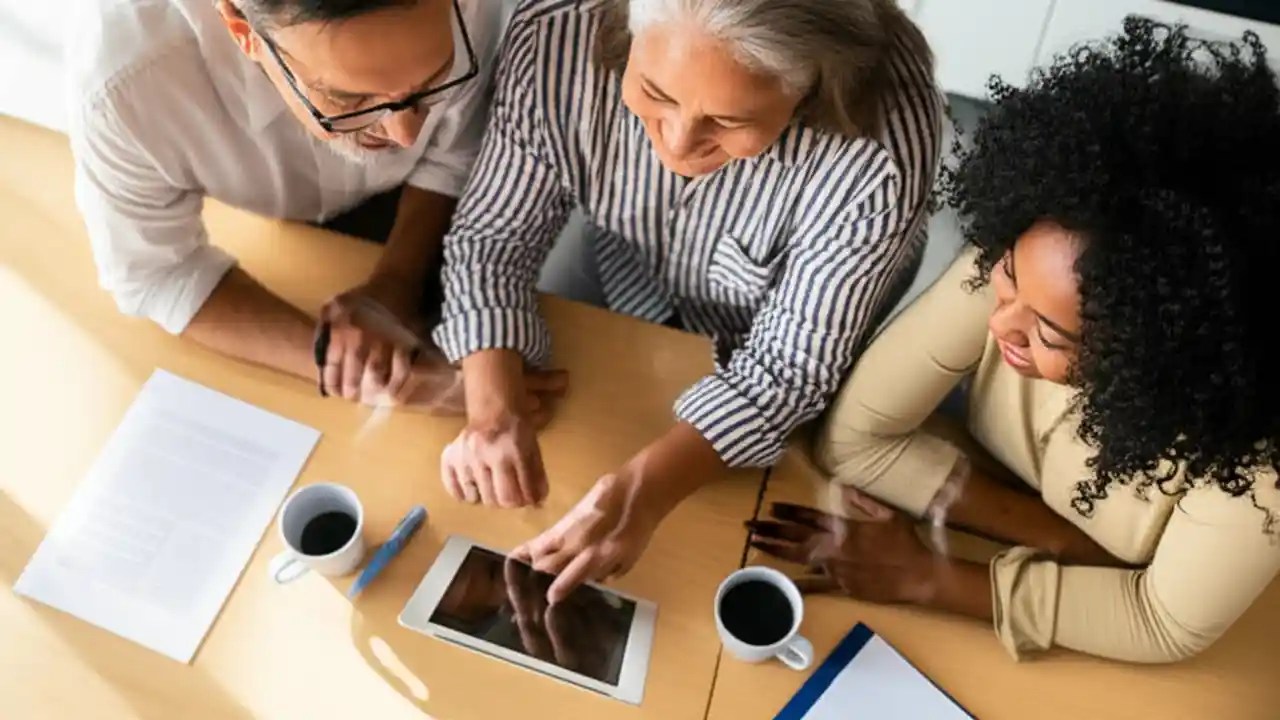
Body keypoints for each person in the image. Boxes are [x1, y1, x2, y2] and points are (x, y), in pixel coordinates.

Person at [750, 19, 1280, 663]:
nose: (1000, 326)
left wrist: (930, 577)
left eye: (1050, 333)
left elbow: (1162, 623)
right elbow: (852, 442)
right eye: (1006, 284)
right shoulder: (1034, 258)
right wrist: (1067, 544)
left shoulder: (1258, 469)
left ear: (1157, 354)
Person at [433, 0, 946, 602]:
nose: (677, 146)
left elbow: (786, 369)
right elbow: (496, 236)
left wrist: (642, 494)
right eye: (654, 92)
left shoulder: (882, 148)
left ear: (810, 87)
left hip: (784, 329)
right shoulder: (556, 31)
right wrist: (493, 411)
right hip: (625, 273)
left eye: (729, 121)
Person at [67, 0, 537, 406]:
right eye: (349, 98)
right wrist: (356, 376)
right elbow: (158, 273)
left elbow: (456, 149)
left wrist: (396, 281)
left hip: (439, 209)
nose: (406, 133)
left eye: (434, 77)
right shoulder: (123, 85)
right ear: (242, 30)